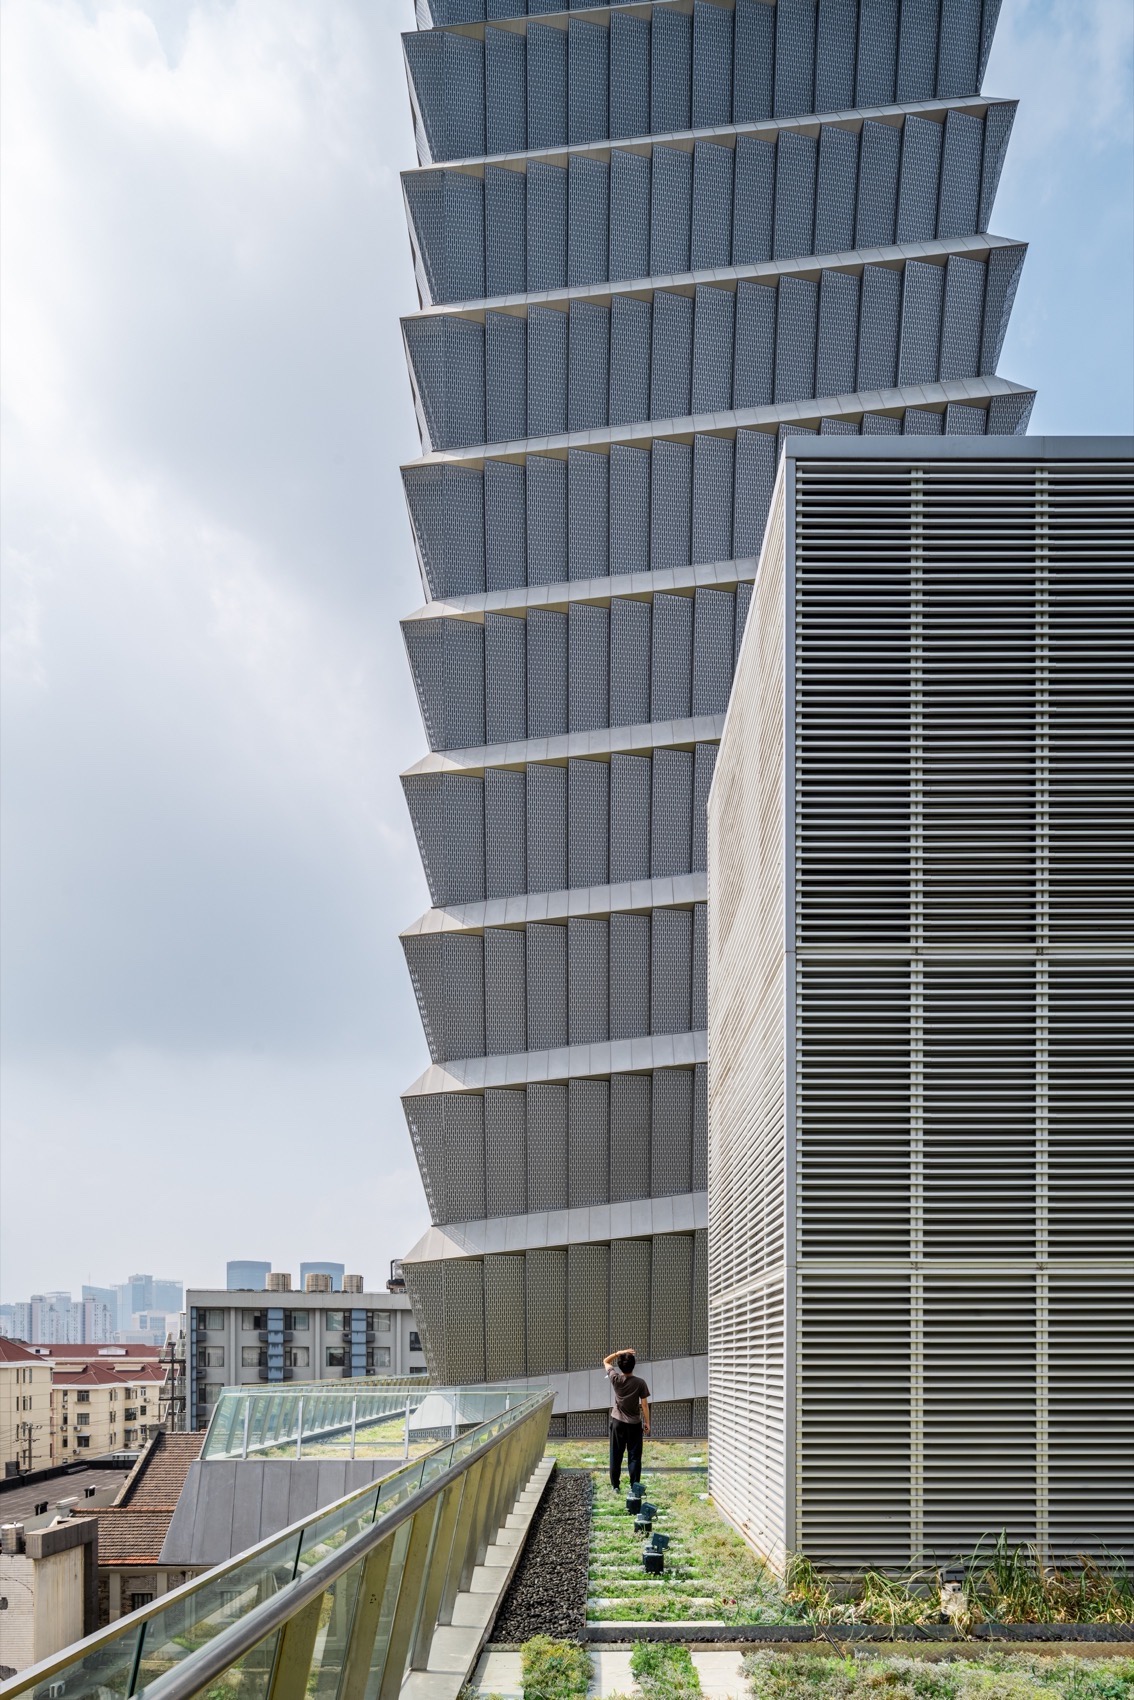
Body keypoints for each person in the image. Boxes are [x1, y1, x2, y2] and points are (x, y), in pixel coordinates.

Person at [603, 1346, 650, 1492]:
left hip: (617, 1423)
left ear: (620, 1366)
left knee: (616, 1454)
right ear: (634, 1365)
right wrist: (647, 1422)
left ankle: (615, 1486)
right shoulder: (640, 1382)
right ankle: (634, 1486)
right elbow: (644, 1404)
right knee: (635, 1457)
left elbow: (605, 1361)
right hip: (635, 1424)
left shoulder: (615, 1378)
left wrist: (619, 1353)